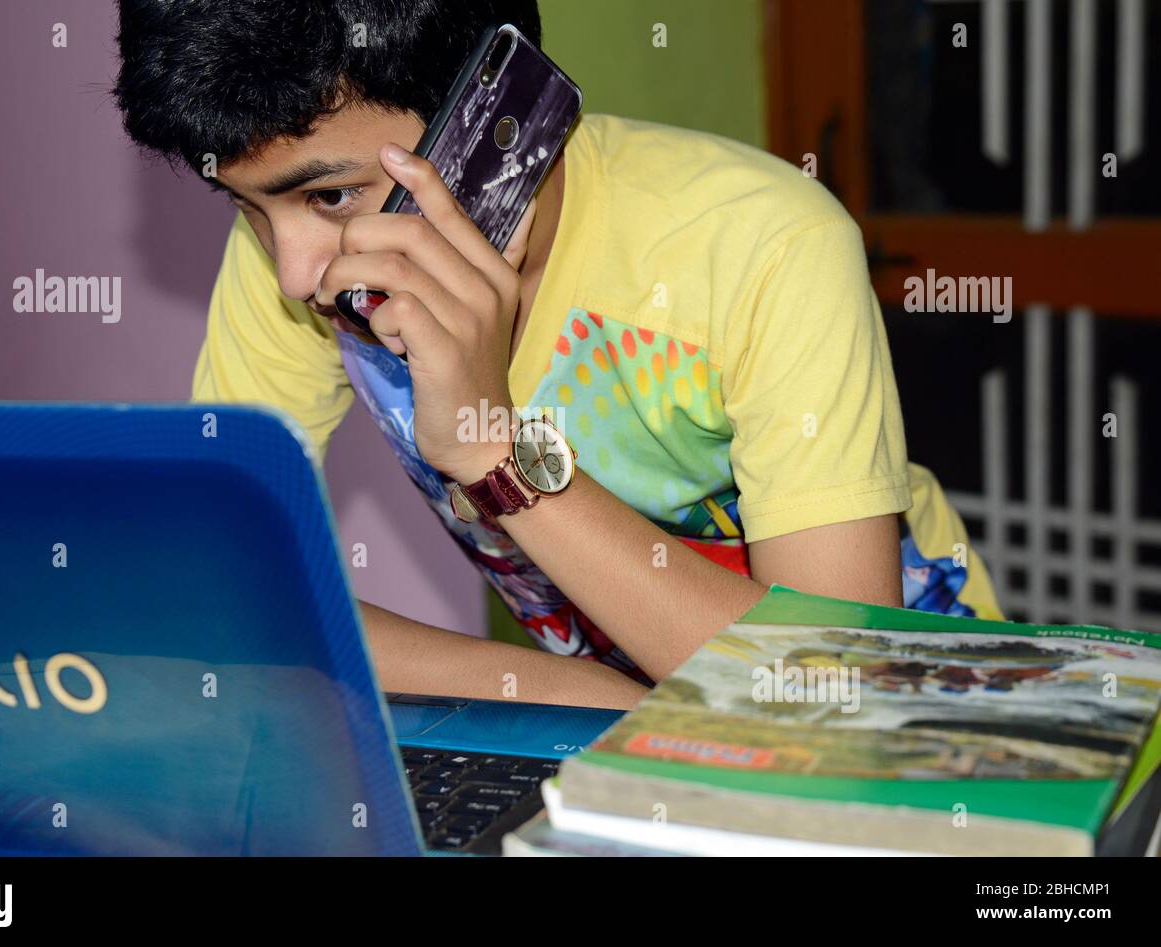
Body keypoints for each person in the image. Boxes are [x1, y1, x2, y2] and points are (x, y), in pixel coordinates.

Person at [113, 0, 1003, 710]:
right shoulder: (304, 250)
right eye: (246, 209)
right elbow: (217, 585)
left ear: (495, 112)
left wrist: (494, 454)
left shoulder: (766, 244)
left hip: (916, 718)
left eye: (335, 194)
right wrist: (561, 687)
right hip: (619, 722)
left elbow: (832, 688)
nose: (296, 273)